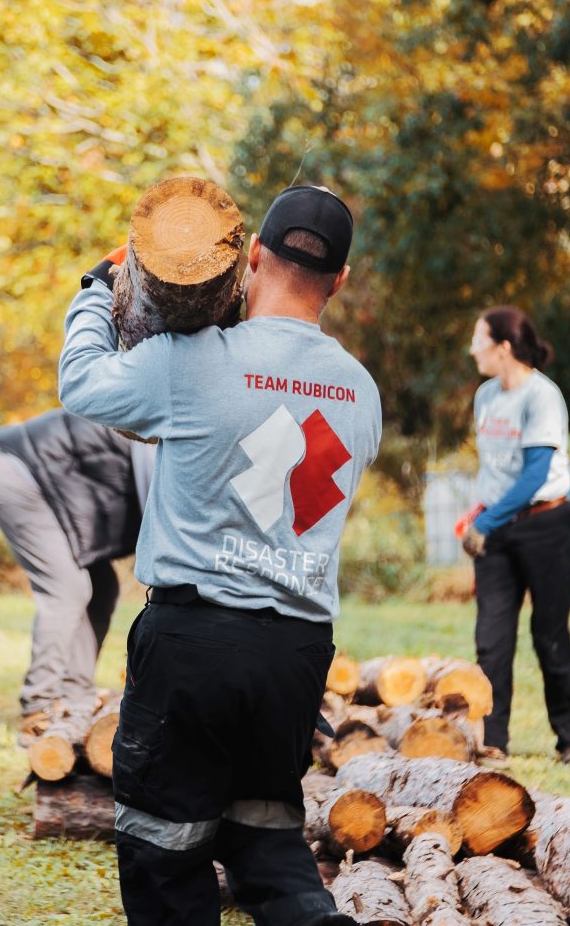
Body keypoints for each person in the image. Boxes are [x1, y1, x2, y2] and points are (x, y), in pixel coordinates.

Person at [59, 184, 381, 925]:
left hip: (194, 642)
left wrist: (96, 289)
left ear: (253, 256)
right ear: (339, 280)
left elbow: (81, 383)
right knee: (268, 844)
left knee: (164, 857)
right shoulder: (361, 392)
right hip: (296, 654)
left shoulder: (192, 361)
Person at [459, 306, 570, 767]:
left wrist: (486, 521)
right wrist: (480, 512)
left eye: (478, 340)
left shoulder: (542, 397)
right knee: (491, 638)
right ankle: (492, 740)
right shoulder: (485, 397)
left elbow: (535, 473)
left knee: (549, 633)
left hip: (545, 526)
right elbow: (494, 469)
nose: (472, 349)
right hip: (496, 532)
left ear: (504, 348)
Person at [0, 407, 154, 739]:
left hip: (48, 487)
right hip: (19, 476)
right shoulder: (157, 431)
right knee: (67, 589)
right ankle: (38, 707)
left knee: (102, 587)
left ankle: (76, 698)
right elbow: (157, 512)